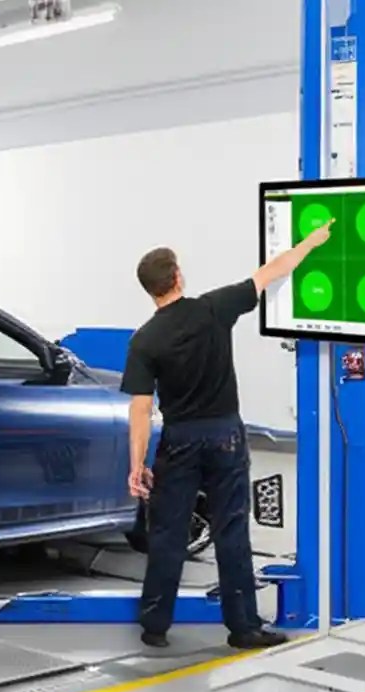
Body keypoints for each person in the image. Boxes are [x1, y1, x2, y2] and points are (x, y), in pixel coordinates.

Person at [120, 217, 335, 650]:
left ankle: (155, 626)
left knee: (166, 533)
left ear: (150, 289)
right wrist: (311, 242)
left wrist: (136, 465)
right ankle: (244, 628)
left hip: (179, 441)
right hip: (225, 437)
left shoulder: (145, 340)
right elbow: (272, 271)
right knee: (232, 532)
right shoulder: (213, 308)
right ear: (178, 277)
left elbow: (140, 409)